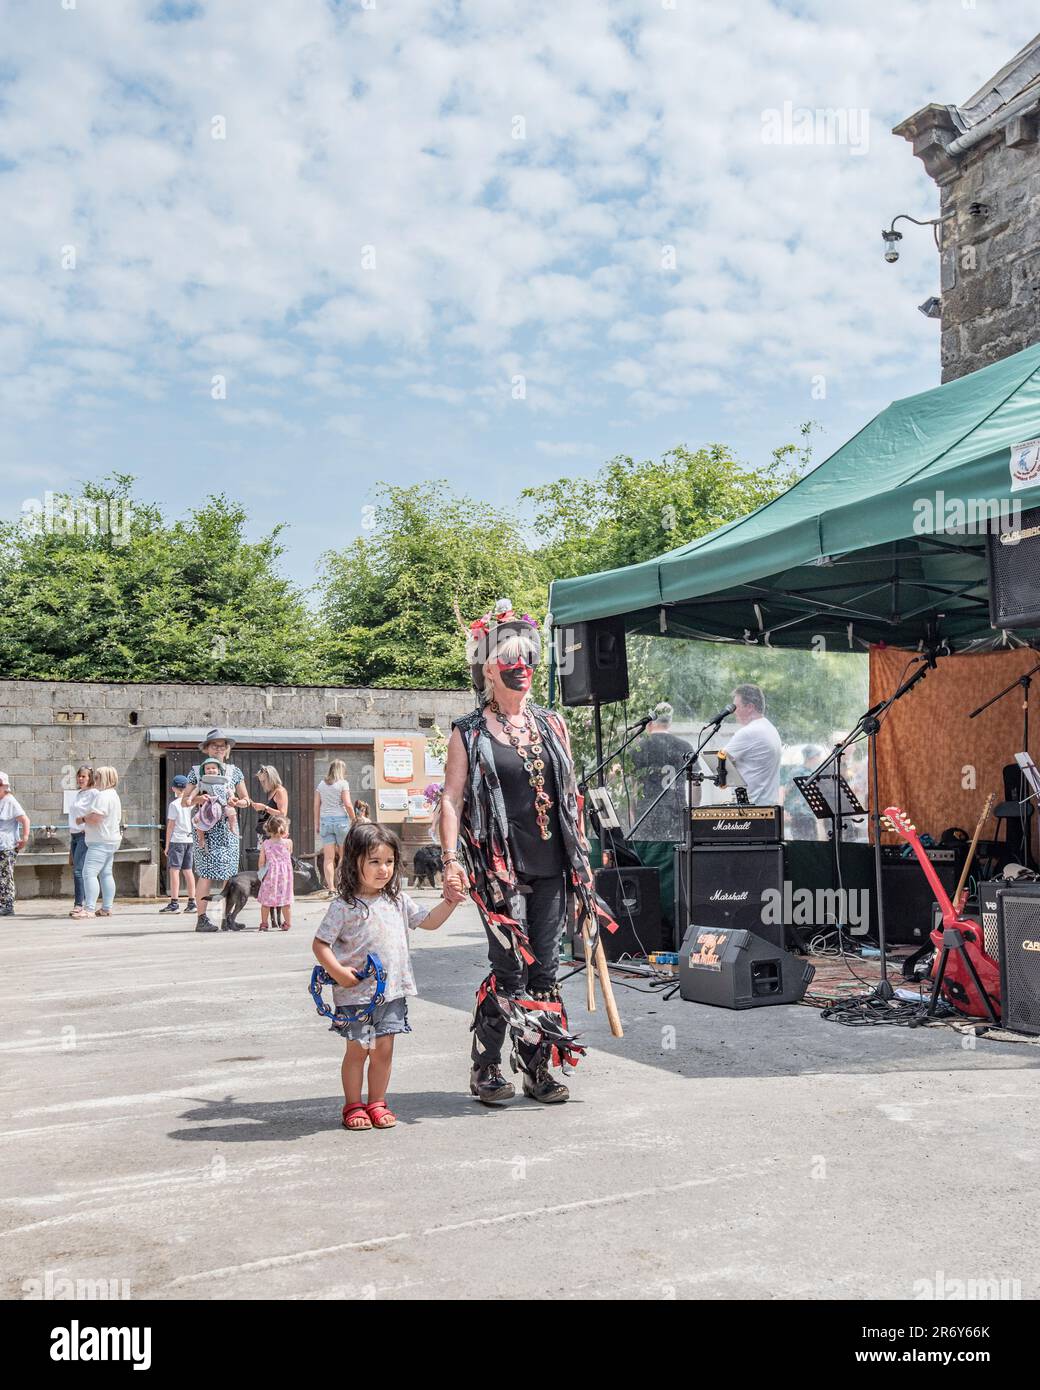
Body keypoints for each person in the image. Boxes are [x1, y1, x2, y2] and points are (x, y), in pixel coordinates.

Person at [440, 598, 617, 1107]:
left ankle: (537, 1069)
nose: (523, 667)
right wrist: (450, 860)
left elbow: (569, 796)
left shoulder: (552, 724)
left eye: (530, 658)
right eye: (510, 659)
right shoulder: (468, 732)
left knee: (545, 972)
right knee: (510, 970)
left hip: (552, 868)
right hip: (498, 872)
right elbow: (451, 799)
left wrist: (583, 862)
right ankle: (486, 1066)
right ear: (488, 669)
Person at [312, 822, 459, 1131]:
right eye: (375, 861)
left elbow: (429, 921)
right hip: (356, 996)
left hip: (391, 993)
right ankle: (353, 1104)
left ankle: (377, 1102)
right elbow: (320, 944)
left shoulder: (398, 901)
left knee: (383, 1052)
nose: (384, 869)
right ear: (354, 862)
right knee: (357, 1051)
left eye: (389, 861)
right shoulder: (344, 906)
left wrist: (449, 902)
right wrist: (338, 972)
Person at [181, 730, 250, 933]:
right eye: (214, 745)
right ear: (206, 749)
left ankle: (227, 918)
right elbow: (185, 801)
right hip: (206, 829)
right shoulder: (196, 771)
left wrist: (238, 802)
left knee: (230, 874)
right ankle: (201, 919)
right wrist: (198, 799)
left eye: (222, 746)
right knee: (206, 873)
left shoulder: (234, 772)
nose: (219, 749)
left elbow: (246, 799)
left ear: (227, 750)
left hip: (228, 829)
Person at [630, 701, 697, 839]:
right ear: (670, 722)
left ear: (650, 722)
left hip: (646, 814)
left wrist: (633, 813)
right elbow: (696, 784)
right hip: (677, 814)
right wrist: (692, 813)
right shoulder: (684, 747)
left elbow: (632, 787)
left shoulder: (639, 748)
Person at [720, 683, 782, 806]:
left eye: (736, 707)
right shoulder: (769, 728)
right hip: (766, 805)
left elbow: (722, 759)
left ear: (750, 707)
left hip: (750, 806)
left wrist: (722, 778)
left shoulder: (750, 731)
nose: (733, 712)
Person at [79, 767, 122, 918]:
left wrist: (83, 819)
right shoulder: (114, 795)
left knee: (89, 873)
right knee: (106, 874)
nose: (94, 780)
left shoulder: (102, 796)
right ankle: (106, 908)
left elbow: (96, 818)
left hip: (100, 841)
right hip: (111, 840)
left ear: (104, 779)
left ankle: (89, 909)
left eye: (96, 777)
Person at [314, 760, 356, 896]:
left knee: (328, 858)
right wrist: (354, 819)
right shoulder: (343, 783)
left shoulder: (321, 784)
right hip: (341, 822)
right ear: (341, 770)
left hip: (325, 822)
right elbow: (348, 804)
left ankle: (331, 888)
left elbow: (316, 805)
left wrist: (317, 823)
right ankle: (342, 885)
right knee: (344, 856)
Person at [160, 774, 198, 914]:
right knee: (188, 871)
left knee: (174, 871)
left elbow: (171, 826)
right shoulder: (192, 803)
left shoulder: (174, 804)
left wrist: (167, 845)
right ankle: (192, 902)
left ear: (173, 788)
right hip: (190, 840)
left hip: (177, 840)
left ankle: (174, 903)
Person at [191, 758, 240, 852]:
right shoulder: (202, 782)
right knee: (197, 820)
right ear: (204, 771)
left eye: (213, 768)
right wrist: (190, 798)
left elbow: (230, 791)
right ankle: (201, 838)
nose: (211, 770)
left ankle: (232, 826)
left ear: (218, 770)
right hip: (207, 806)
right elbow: (195, 791)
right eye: (208, 768)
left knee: (231, 811)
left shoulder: (223, 782)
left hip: (222, 805)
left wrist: (232, 798)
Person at [0, 772, 30, 917]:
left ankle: (8, 906)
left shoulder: (10, 801)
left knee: (5, 877)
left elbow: (25, 819)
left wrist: (25, 837)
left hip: (6, 846)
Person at [258, 814, 294, 931]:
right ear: (284, 829)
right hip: (285, 876)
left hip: (270, 875)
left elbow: (261, 861)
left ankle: (264, 924)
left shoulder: (265, 843)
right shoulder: (288, 842)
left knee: (266, 901)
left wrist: (261, 872)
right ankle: (287, 923)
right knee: (285, 901)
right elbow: (289, 853)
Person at [67, 765, 94, 920]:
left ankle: (79, 904)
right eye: (79, 776)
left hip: (84, 835)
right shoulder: (79, 794)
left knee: (79, 871)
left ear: (90, 778)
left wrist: (86, 827)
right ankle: (82, 903)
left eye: (84, 776)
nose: (80, 779)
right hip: (74, 835)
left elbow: (96, 813)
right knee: (77, 869)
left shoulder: (94, 793)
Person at [250, 765, 288, 850]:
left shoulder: (280, 791)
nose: (262, 784)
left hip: (274, 833)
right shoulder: (272, 792)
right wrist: (260, 809)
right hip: (266, 831)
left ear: (271, 779)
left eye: (264, 781)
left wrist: (264, 807)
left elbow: (282, 813)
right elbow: (271, 812)